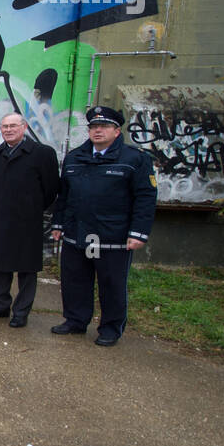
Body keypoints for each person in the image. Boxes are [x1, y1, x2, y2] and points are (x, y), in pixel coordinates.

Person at [49, 106, 157, 346]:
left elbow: (145, 197)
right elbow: (64, 194)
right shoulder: (75, 157)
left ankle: (110, 328)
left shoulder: (134, 159)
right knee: (75, 280)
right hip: (77, 233)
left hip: (112, 236)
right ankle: (76, 320)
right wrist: (58, 223)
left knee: (112, 284)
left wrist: (138, 233)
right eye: (93, 127)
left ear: (116, 131)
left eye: (104, 127)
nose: (98, 131)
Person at [0, 112, 59, 327]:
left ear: (24, 127)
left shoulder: (42, 153)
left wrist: (32, 207)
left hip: (28, 221)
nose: (8, 130)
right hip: (0, 218)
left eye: (13, 126)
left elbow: (51, 188)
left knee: (26, 269)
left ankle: (21, 312)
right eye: (4, 126)